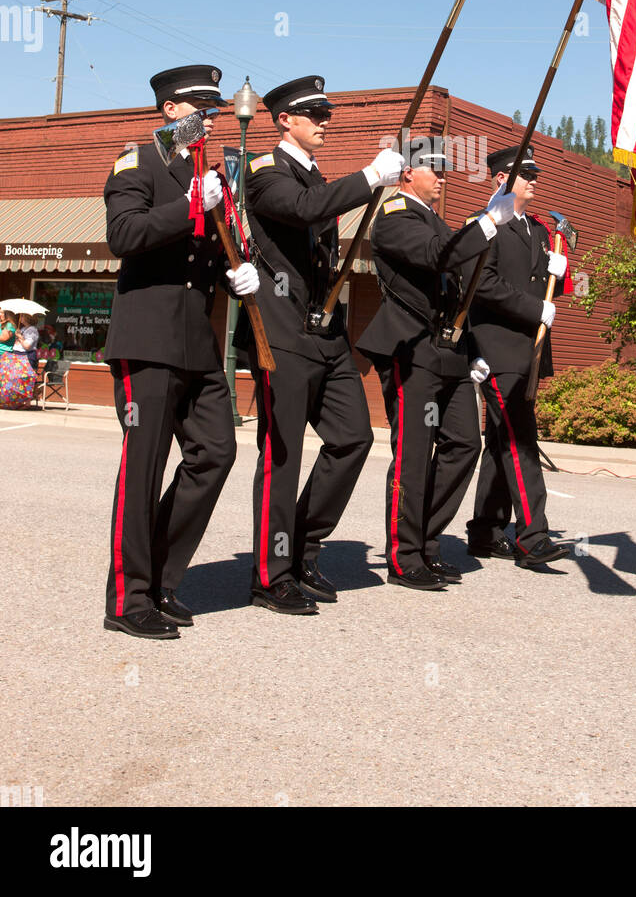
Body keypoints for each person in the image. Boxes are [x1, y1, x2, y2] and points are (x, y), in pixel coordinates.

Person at [103, 64, 259, 640]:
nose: (213, 120)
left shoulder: (209, 175)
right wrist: (189, 205)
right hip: (146, 341)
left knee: (216, 452)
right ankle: (128, 596)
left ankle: (162, 576)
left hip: (198, 344)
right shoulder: (137, 162)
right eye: (203, 110)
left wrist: (236, 274)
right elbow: (123, 235)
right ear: (171, 110)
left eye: (217, 112)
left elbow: (213, 252)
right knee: (143, 469)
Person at [240, 75, 406, 615]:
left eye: (327, 113)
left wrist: (368, 183)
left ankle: (303, 547)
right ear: (285, 119)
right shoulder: (265, 172)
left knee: (354, 437)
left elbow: (321, 208)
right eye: (314, 113)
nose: (324, 120)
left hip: (326, 332)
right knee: (283, 454)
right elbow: (306, 208)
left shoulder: (318, 177)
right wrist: (369, 177)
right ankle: (271, 574)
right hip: (283, 334)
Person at [356, 138, 516, 591]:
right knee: (412, 454)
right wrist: (486, 222)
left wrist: (492, 222)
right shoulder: (394, 218)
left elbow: (466, 271)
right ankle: (404, 555)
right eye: (434, 170)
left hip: (450, 350)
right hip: (412, 348)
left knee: (464, 443)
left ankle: (425, 538)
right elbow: (437, 257)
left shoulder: (435, 221)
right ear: (407, 174)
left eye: (445, 170)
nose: (443, 177)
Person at [465, 144, 572, 569]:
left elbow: (544, 291)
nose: (533, 180)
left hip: (527, 352)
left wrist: (558, 274)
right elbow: (483, 285)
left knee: (501, 441)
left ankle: (486, 531)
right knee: (520, 441)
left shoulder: (539, 231)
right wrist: (535, 309)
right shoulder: (483, 225)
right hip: (496, 351)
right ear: (500, 179)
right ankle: (533, 536)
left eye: (534, 174)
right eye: (524, 174)